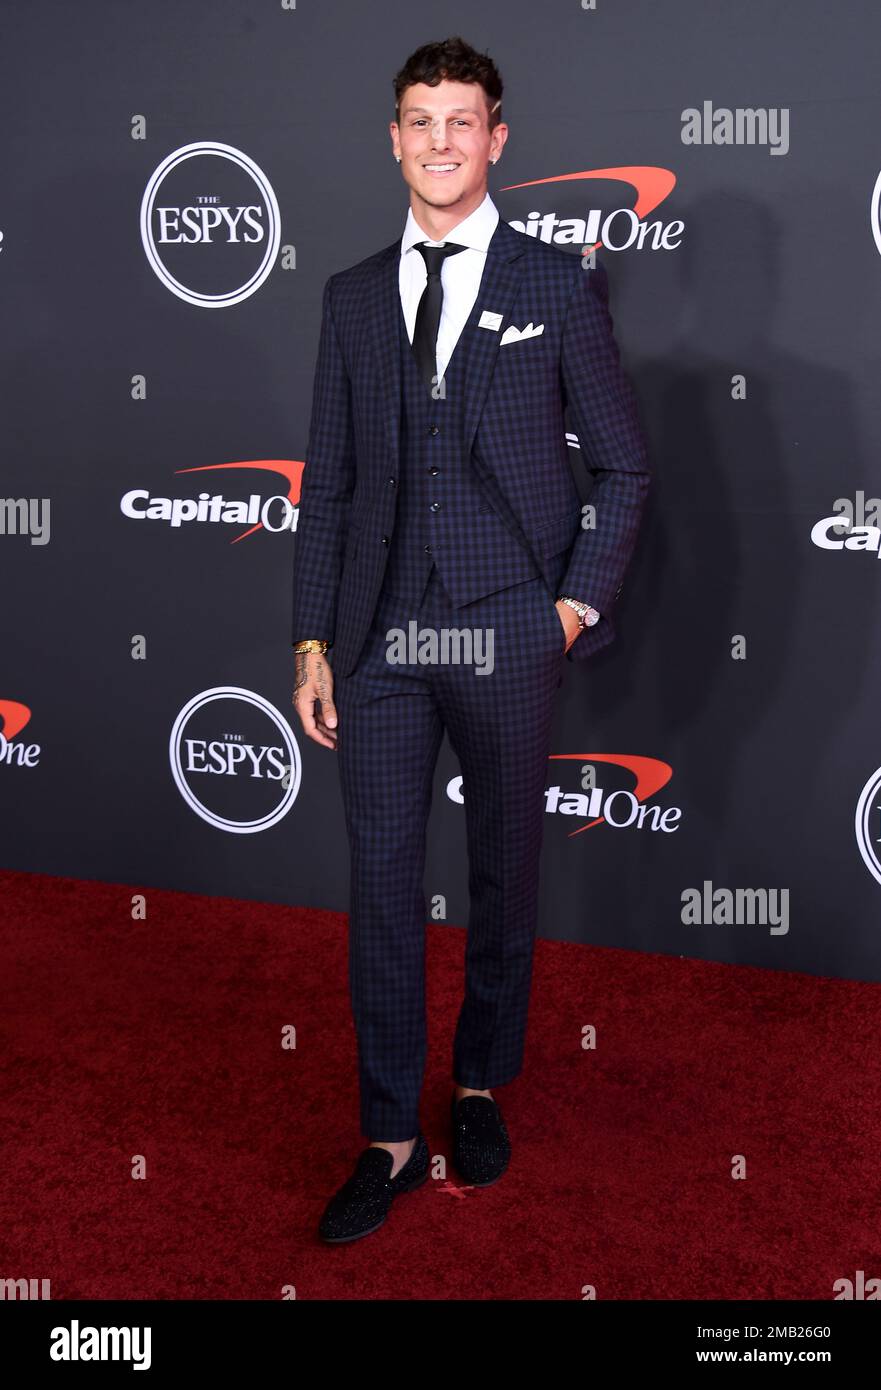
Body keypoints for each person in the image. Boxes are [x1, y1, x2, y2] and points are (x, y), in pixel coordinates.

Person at [291, 35, 651, 1243]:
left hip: (507, 627)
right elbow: (328, 487)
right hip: (383, 638)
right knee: (381, 888)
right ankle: (391, 1135)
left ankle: (480, 1082)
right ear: (391, 138)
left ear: (496, 140)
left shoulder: (556, 286)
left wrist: (567, 606)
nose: (439, 141)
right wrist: (310, 642)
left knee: (503, 872)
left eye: (461, 121)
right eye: (417, 120)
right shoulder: (348, 297)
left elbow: (621, 464)